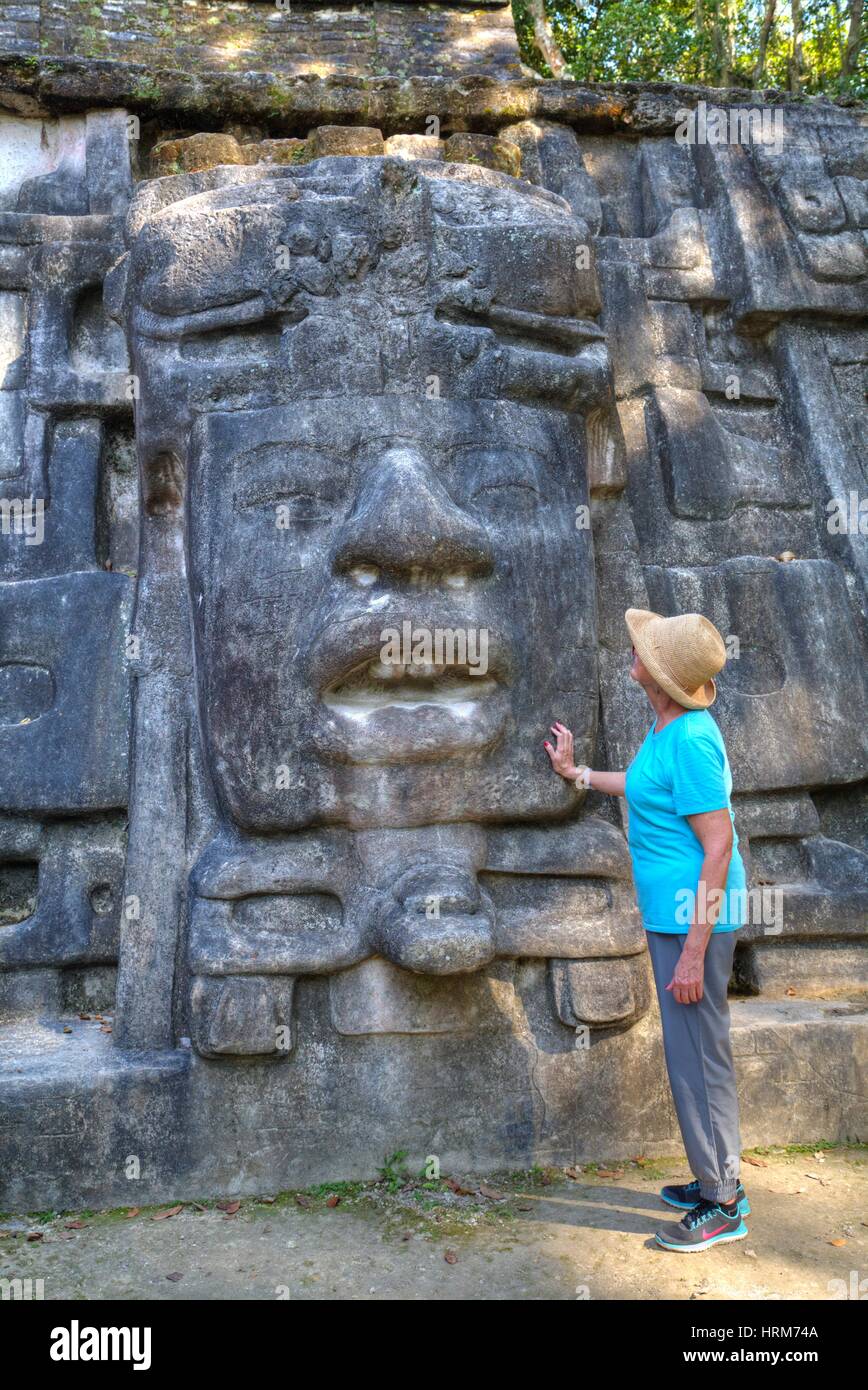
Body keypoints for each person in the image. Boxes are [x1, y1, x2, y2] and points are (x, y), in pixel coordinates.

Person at [545, 607, 750, 1253]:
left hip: (695, 925)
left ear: (661, 674)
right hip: (674, 919)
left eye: (645, 649)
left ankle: (723, 1203)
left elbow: (717, 846)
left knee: (698, 1058)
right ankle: (715, 1180)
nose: (634, 650)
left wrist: (692, 955)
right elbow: (638, 786)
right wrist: (576, 774)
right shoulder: (663, 727)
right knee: (690, 1053)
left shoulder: (690, 738)